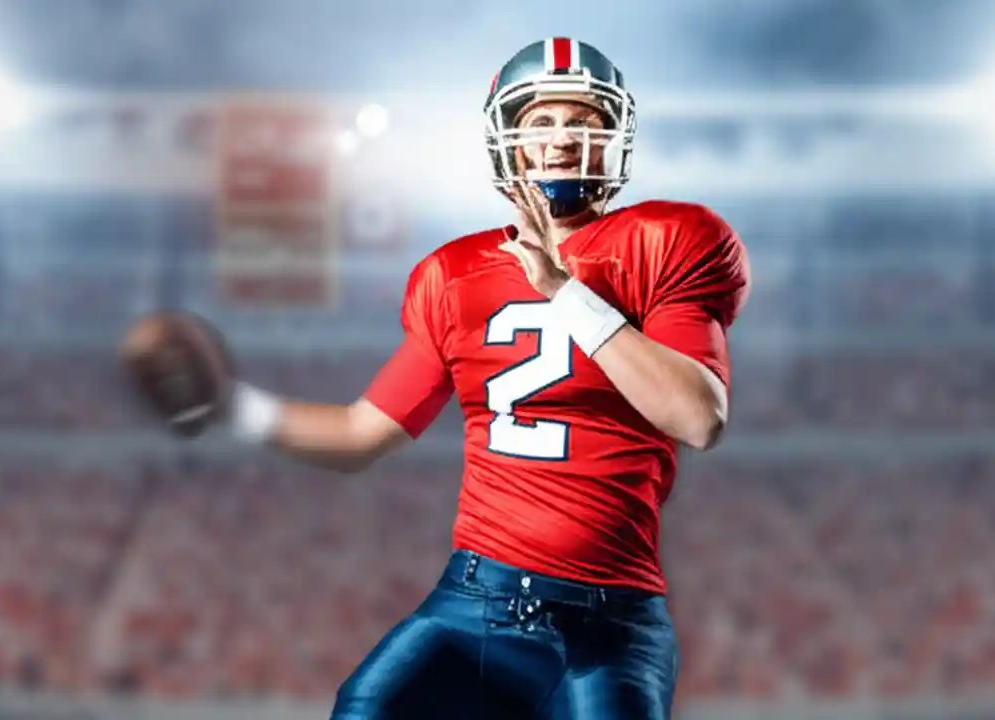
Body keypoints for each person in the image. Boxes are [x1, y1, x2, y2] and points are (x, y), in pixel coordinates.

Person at [128, 36, 749, 720]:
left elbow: (697, 416)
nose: (562, 138)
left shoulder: (670, 240)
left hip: (609, 622)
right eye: (541, 120)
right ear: (507, 140)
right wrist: (235, 409)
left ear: (615, 134)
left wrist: (564, 290)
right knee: (362, 709)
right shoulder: (453, 274)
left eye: (584, 120)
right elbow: (363, 434)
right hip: (471, 603)